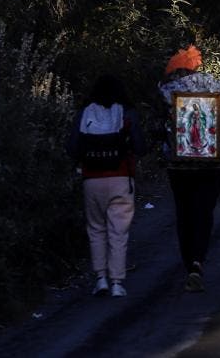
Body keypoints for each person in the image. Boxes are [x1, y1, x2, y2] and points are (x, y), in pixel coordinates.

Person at [158, 46, 220, 292]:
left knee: (184, 214)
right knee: (204, 212)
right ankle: (198, 261)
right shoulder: (213, 85)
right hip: (209, 161)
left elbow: (156, 127)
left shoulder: (165, 90)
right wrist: (219, 133)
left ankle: (189, 265)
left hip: (178, 166)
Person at [66, 75, 148, 297]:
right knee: (118, 232)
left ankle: (100, 278)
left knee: (96, 229)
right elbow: (140, 147)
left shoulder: (85, 113)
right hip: (121, 178)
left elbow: (72, 148)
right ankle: (117, 282)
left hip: (92, 179)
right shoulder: (127, 113)